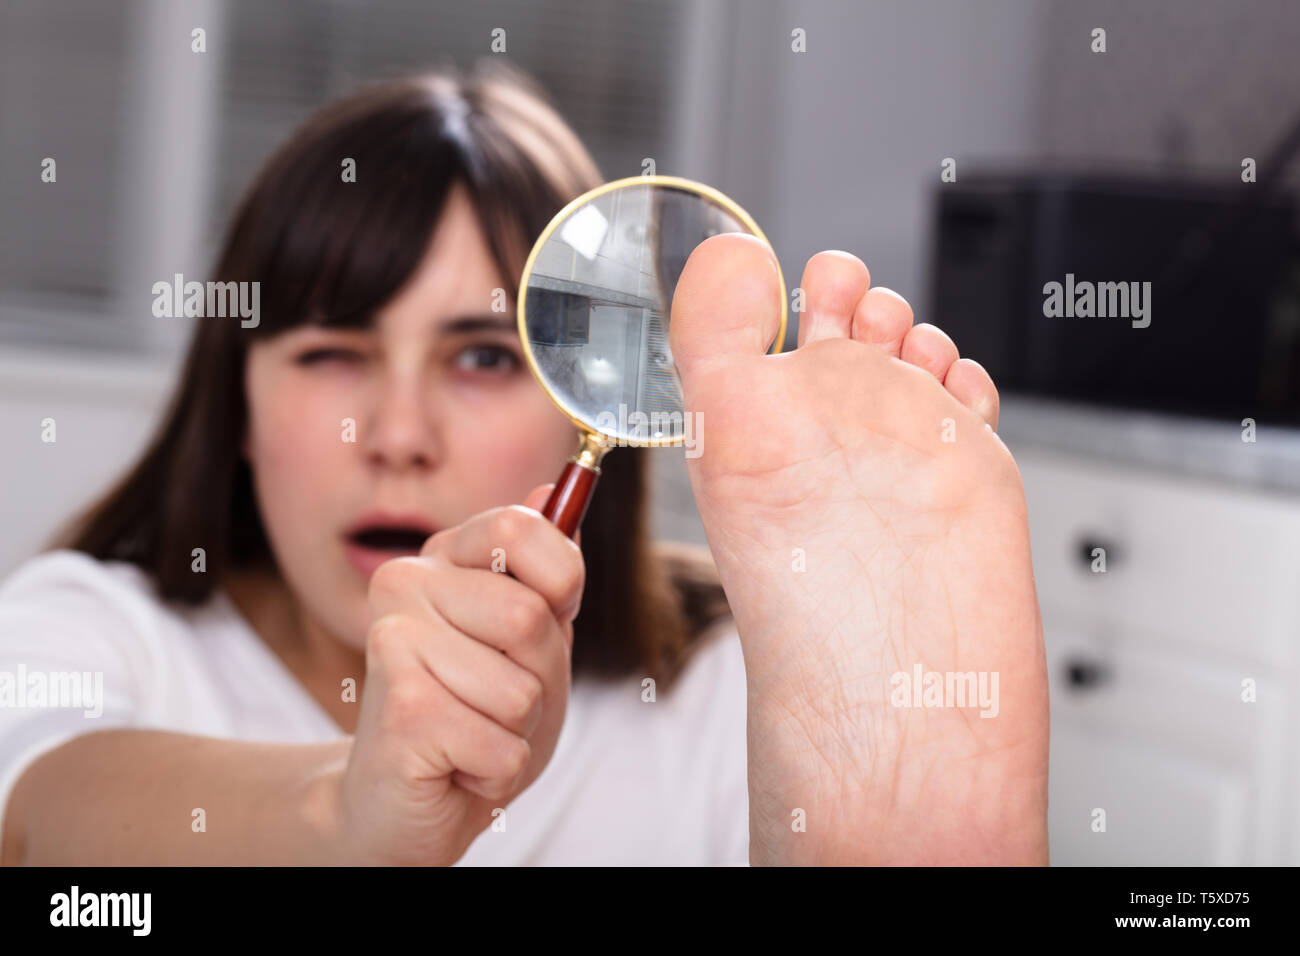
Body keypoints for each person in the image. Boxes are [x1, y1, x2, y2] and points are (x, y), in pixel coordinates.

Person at [0, 62, 1048, 866]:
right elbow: (37, 822)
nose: (398, 430)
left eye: (484, 355)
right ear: (236, 401)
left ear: (586, 411)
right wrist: (348, 811)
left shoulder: (726, 682)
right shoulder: (94, 627)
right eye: (330, 351)